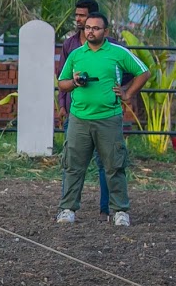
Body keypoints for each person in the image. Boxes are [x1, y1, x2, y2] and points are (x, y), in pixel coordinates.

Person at [55, 12, 149, 227]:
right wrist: (75, 82)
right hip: (79, 118)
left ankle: (119, 210)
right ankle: (67, 208)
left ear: (105, 32)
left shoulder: (118, 52)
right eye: (88, 27)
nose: (91, 31)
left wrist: (127, 93)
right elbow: (62, 83)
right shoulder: (76, 54)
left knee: (114, 165)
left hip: (109, 118)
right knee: (73, 165)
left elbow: (143, 72)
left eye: (96, 28)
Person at [58, 0, 113, 217]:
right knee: (72, 161)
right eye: (78, 16)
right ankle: (67, 208)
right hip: (76, 112)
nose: (78, 19)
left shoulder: (113, 46)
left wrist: (120, 89)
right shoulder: (70, 45)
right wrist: (62, 103)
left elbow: (128, 70)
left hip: (104, 113)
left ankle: (107, 208)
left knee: (107, 163)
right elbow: (61, 76)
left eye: (83, 16)